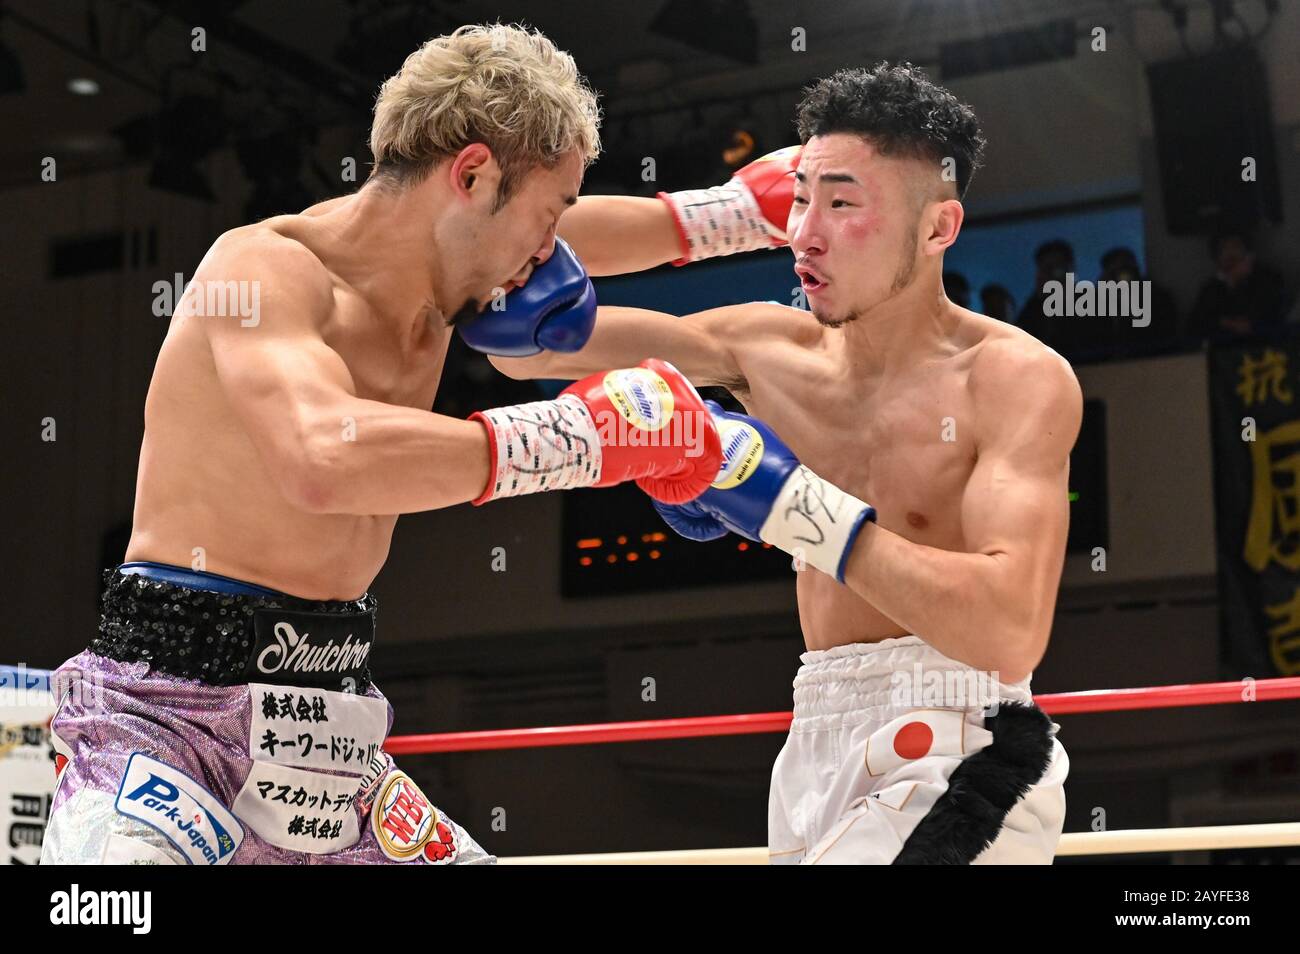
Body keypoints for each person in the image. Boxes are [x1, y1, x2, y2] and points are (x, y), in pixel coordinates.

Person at [41, 23, 722, 866]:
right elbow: (324, 457)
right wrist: (582, 440)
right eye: (546, 218)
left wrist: (741, 225)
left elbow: (596, 232)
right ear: (471, 174)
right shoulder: (259, 273)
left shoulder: (457, 291)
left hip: (334, 747)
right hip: (171, 728)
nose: (551, 256)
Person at [500, 62, 1077, 864]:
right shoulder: (765, 348)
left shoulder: (1013, 378)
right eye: (800, 198)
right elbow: (522, 336)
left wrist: (783, 502)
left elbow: (1009, 631)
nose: (805, 231)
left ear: (939, 227)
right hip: (814, 733)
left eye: (843, 204)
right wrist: (721, 216)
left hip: (961, 738)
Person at [1189, 228, 1288, 346]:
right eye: (1224, 248)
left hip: (1266, 348)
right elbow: (1195, 325)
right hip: (1223, 352)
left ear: (1248, 251)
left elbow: (1266, 315)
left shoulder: (1269, 279)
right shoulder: (1211, 288)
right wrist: (1227, 323)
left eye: (1235, 246)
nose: (1230, 253)